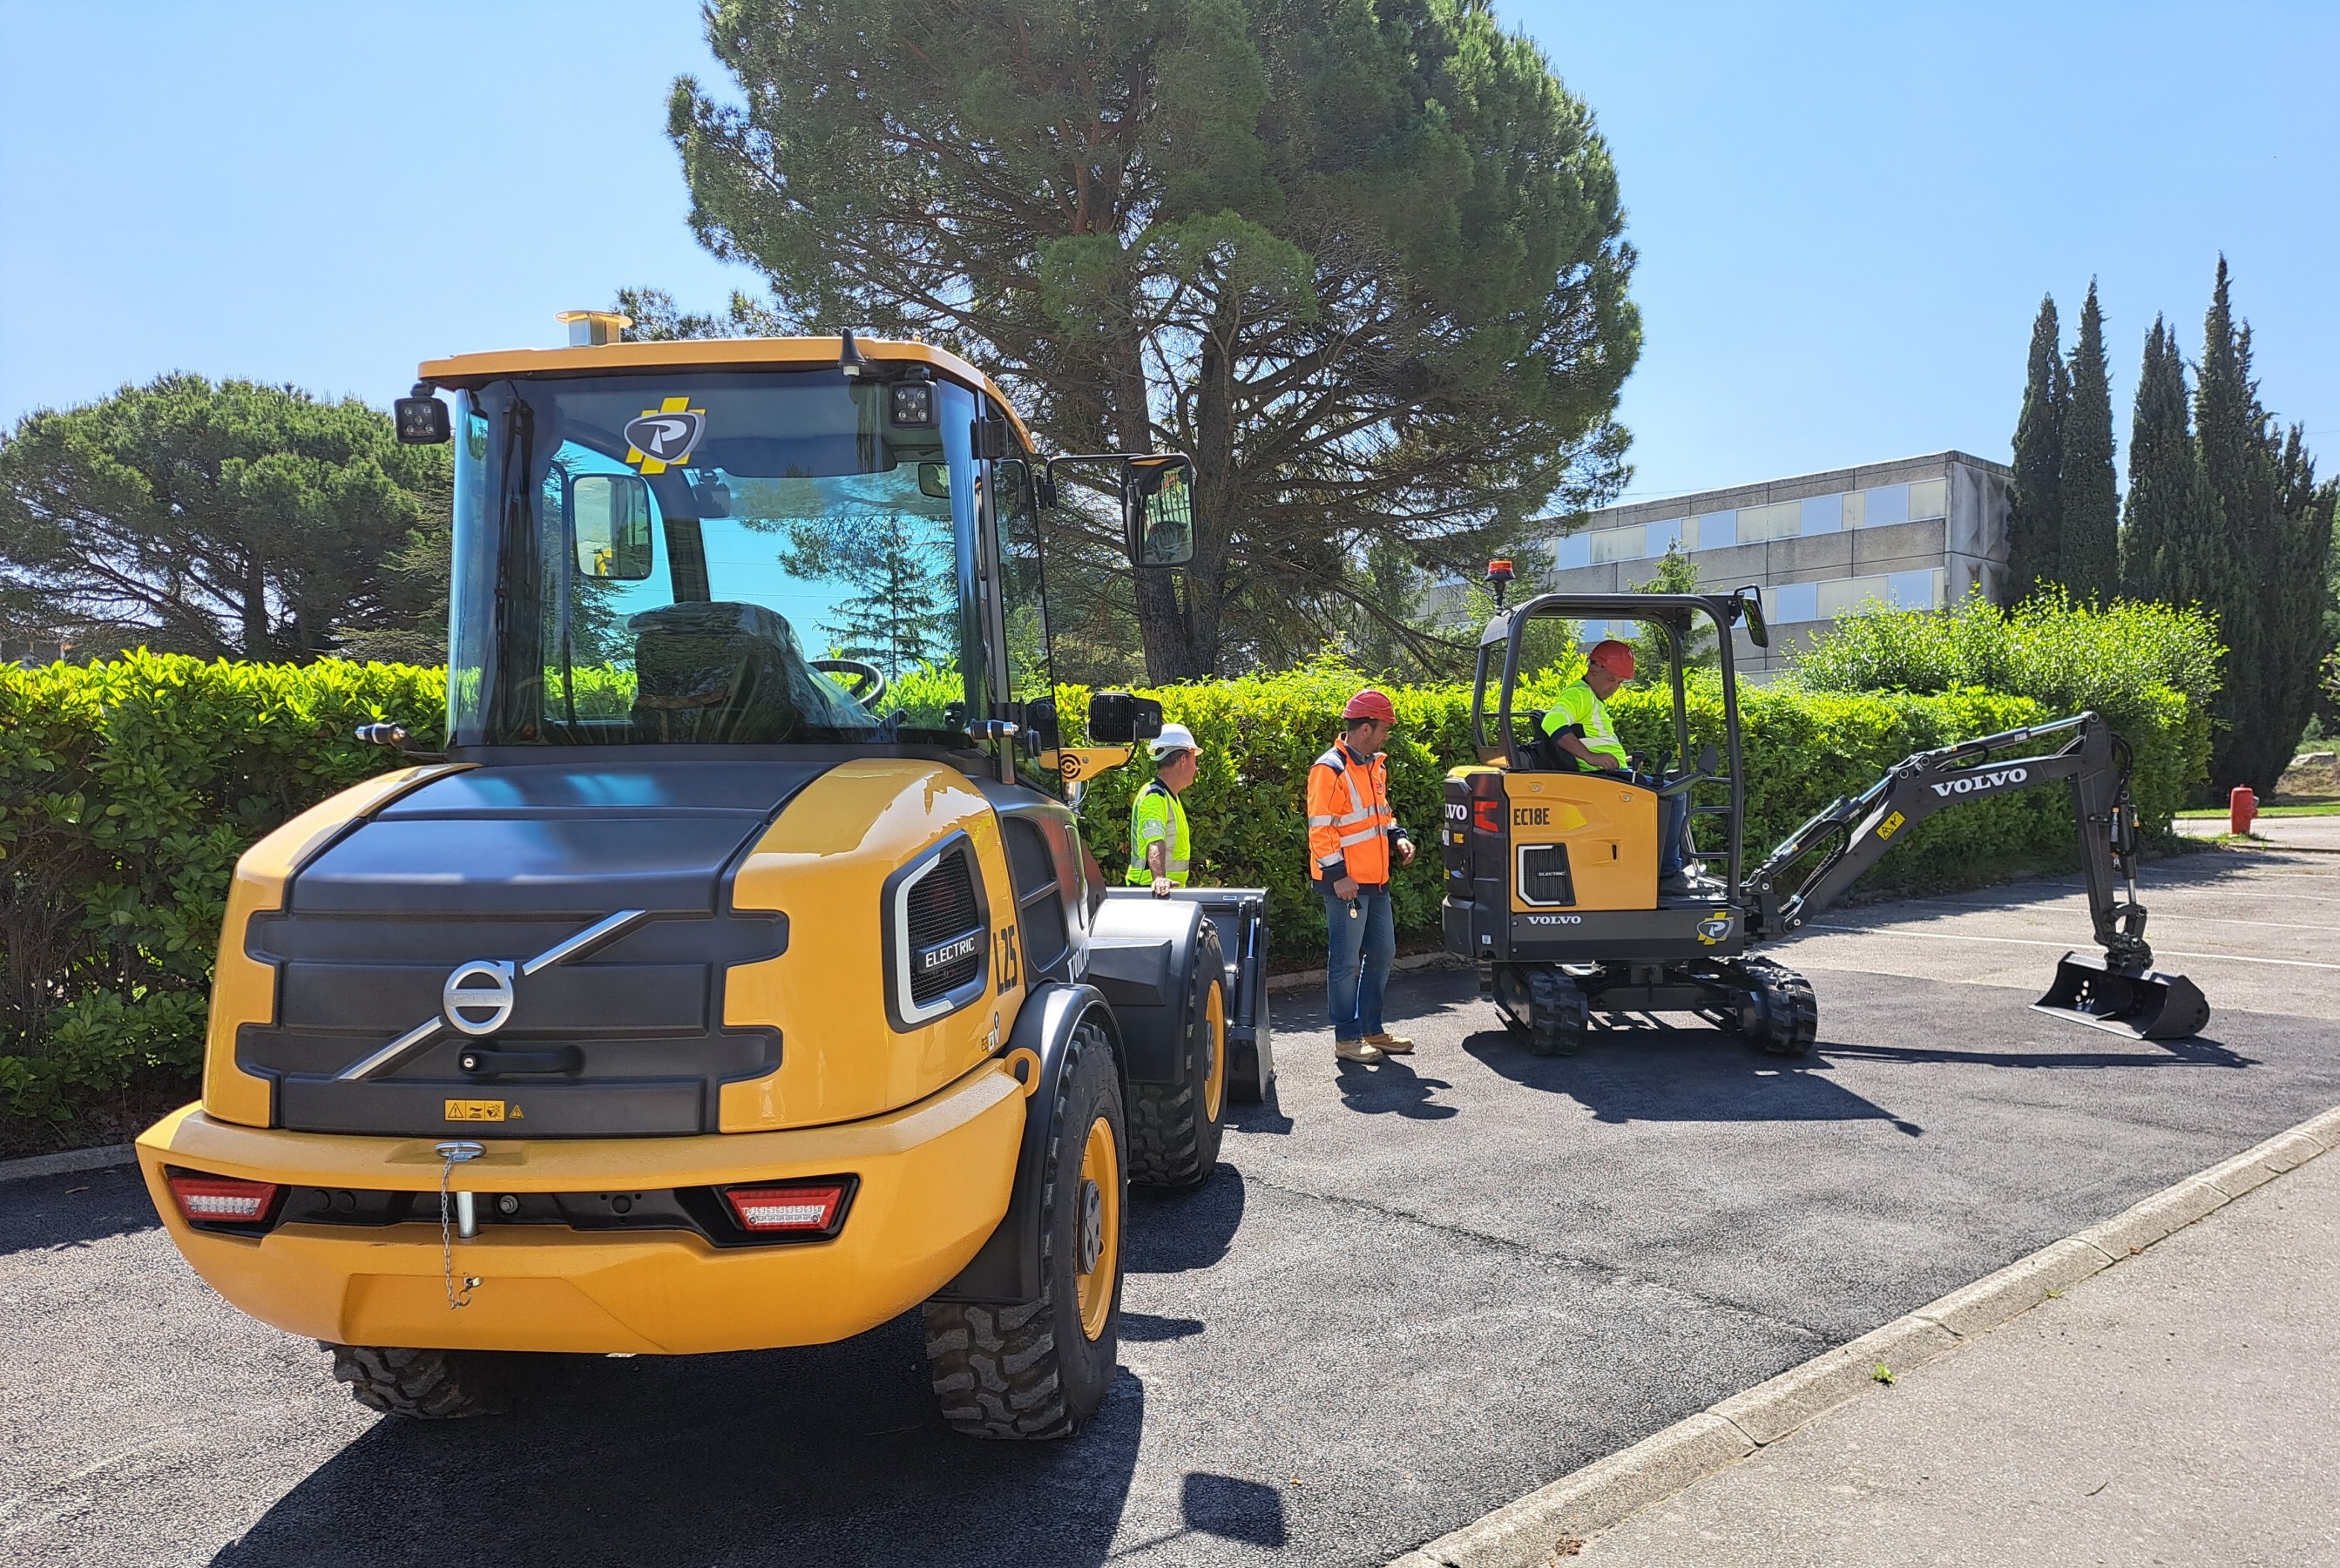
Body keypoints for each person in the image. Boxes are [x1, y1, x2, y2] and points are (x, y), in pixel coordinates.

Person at [1308, 689, 1416, 1064]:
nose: (1387, 735)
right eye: (1385, 728)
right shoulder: (1329, 768)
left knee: (1383, 953)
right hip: (1346, 884)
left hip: (1375, 880)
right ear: (1366, 727)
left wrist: (1398, 837)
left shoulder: (1374, 765)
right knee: (1346, 962)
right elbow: (1320, 828)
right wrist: (1338, 875)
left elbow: (1382, 813)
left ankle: (1372, 1030)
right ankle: (1347, 1037)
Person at [1539, 639, 1697, 895]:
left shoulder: (1591, 698)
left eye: (1620, 683)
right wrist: (1591, 756)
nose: (1614, 688)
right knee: (1673, 795)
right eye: (1612, 680)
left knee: (1669, 788)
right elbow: (1552, 721)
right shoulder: (1579, 695)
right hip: (1602, 780)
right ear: (1595, 669)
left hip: (1609, 776)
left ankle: (1654, 868)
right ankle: (1668, 874)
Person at [1126, 723, 1200, 895]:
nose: (1196, 768)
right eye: (1194, 760)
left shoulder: (1168, 796)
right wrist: (1159, 878)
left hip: (1162, 891)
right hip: (1150, 893)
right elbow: (1154, 840)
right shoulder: (1154, 796)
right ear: (1183, 760)